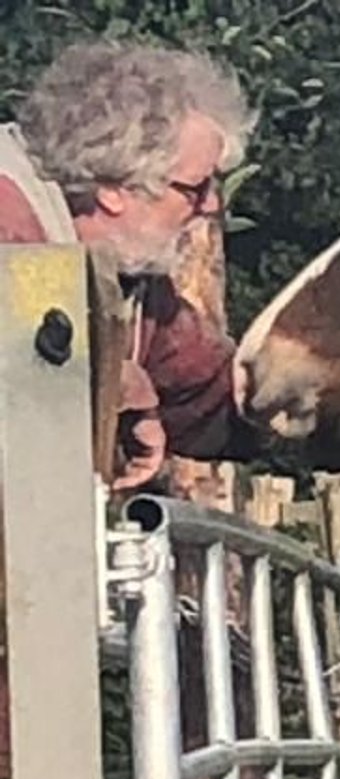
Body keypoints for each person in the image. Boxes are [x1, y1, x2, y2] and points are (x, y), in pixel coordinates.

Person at [0, 37, 263, 488]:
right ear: (113, 188)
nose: (212, 205)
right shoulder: (8, 214)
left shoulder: (132, 278)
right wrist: (109, 378)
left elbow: (211, 397)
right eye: (195, 188)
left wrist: (328, 376)